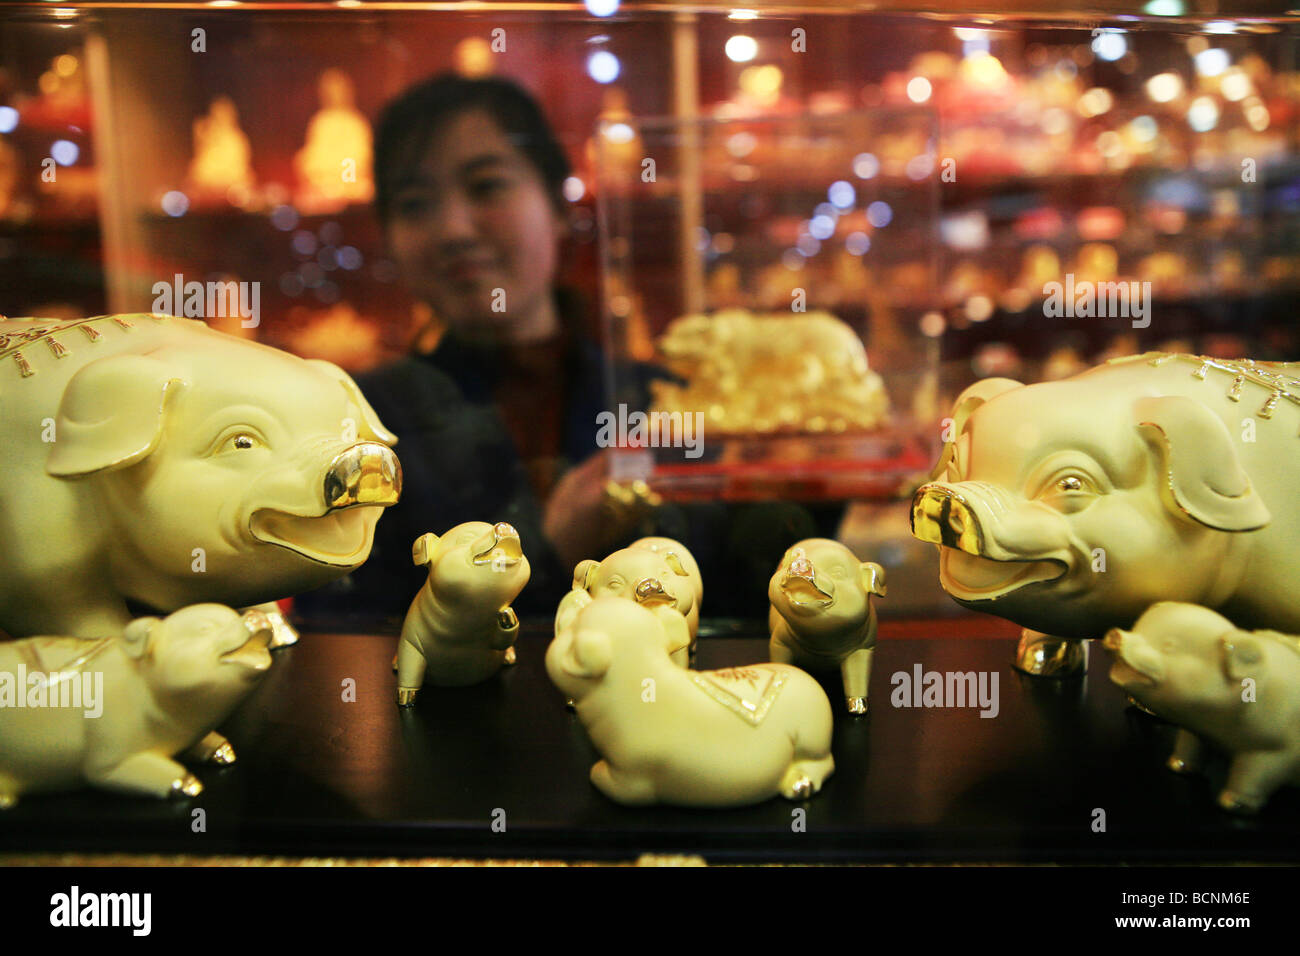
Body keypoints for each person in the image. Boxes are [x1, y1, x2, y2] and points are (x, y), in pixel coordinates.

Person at [295, 73, 661, 628]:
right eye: (416, 204)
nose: (453, 229)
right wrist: (544, 554)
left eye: (486, 187)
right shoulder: (356, 422)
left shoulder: (657, 399)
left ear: (559, 204)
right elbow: (337, 635)